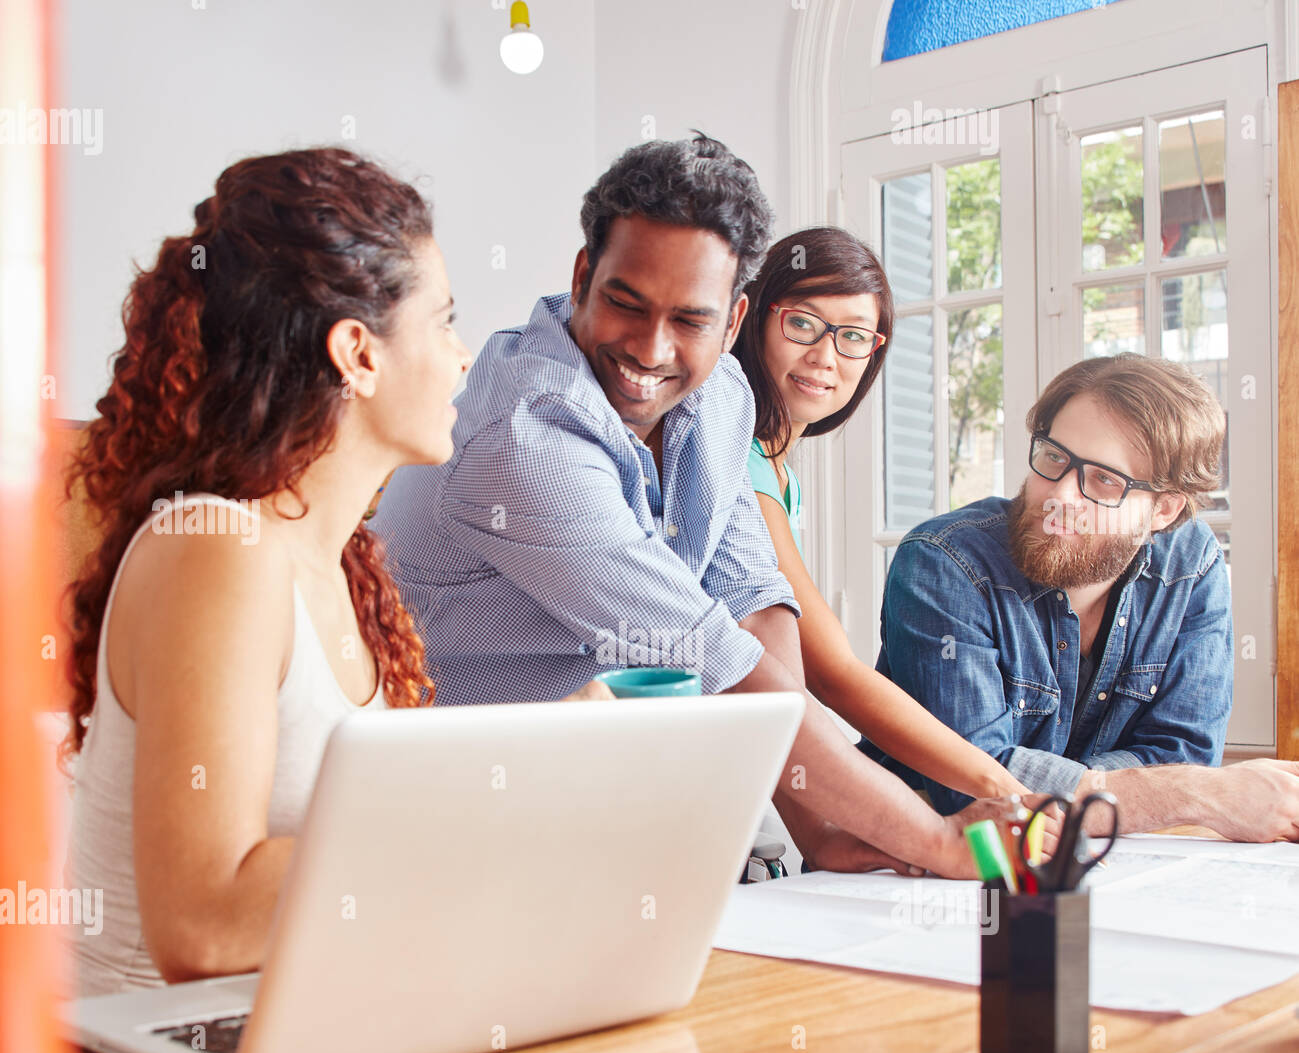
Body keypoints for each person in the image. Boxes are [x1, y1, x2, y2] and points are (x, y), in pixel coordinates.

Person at [374, 134, 1028, 877]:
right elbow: (712, 655)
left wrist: (818, 832)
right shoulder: (526, 443)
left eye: (689, 320)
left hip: (593, 802)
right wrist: (942, 842)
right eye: (626, 302)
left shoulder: (720, 394)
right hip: (443, 819)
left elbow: (751, 603)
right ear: (584, 274)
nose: (650, 350)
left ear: (733, 315)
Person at [64, 147, 475, 994]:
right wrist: (490, 827)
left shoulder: (343, 563)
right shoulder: (216, 550)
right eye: (443, 321)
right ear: (358, 354)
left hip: (299, 1024)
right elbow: (204, 925)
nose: (462, 356)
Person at [874, 353, 1299, 841]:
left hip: (1111, 864)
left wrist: (1082, 790)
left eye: (1104, 480)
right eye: (1054, 457)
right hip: (912, 878)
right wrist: (1183, 794)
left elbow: (1183, 754)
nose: (1062, 496)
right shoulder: (944, 563)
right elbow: (978, 789)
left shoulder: (1190, 562)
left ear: (1163, 510)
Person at [733, 226, 1029, 804]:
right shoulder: (735, 457)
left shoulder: (780, 472)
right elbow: (828, 670)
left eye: (853, 337)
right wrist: (1003, 788)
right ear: (755, 316)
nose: (824, 357)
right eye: (801, 323)